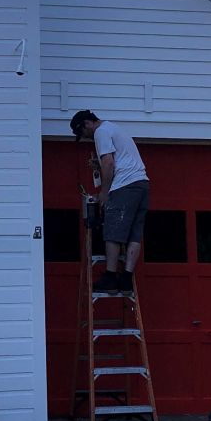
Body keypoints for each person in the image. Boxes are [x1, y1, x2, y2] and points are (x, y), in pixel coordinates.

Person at [69, 109, 149, 295]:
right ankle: (126, 279)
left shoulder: (101, 132)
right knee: (134, 234)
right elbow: (118, 160)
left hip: (125, 186)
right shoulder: (114, 128)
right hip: (142, 184)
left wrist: (104, 194)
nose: (86, 137)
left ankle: (111, 277)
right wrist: (99, 165)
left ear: (87, 124)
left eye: (82, 133)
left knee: (112, 232)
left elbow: (109, 163)